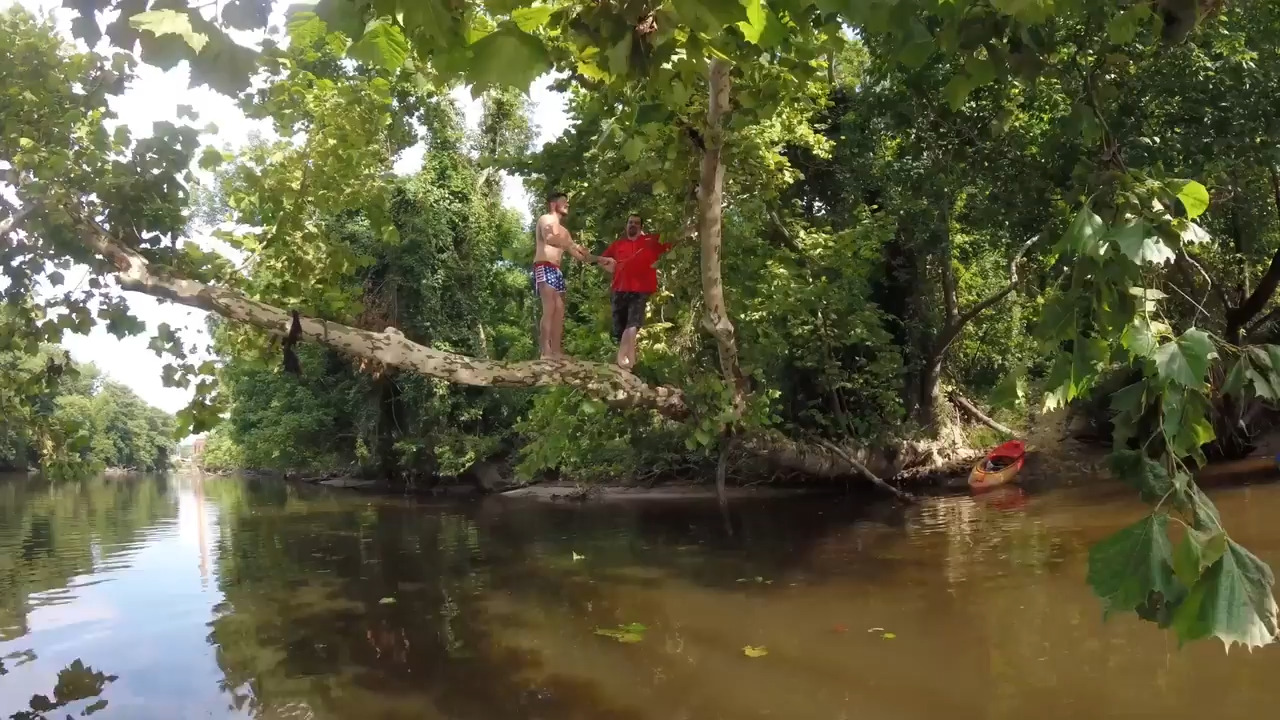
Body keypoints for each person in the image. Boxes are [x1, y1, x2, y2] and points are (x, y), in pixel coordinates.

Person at [533, 192, 601, 360]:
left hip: (556, 270)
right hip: (543, 265)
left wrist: (601, 260)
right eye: (564, 202)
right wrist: (571, 244)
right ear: (553, 204)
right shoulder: (546, 219)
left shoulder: (564, 231)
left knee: (559, 310)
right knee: (549, 308)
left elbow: (579, 255)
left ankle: (556, 351)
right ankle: (545, 351)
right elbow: (549, 238)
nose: (567, 205)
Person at [599, 213, 672, 370]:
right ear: (626, 226)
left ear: (641, 227)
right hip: (619, 289)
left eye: (636, 223)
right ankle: (630, 362)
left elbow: (672, 240)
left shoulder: (650, 242)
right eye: (630, 222)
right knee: (622, 328)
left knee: (633, 324)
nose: (633, 225)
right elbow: (603, 259)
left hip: (640, 289)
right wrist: (607, 266)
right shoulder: (618, 245)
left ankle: (621, 359)